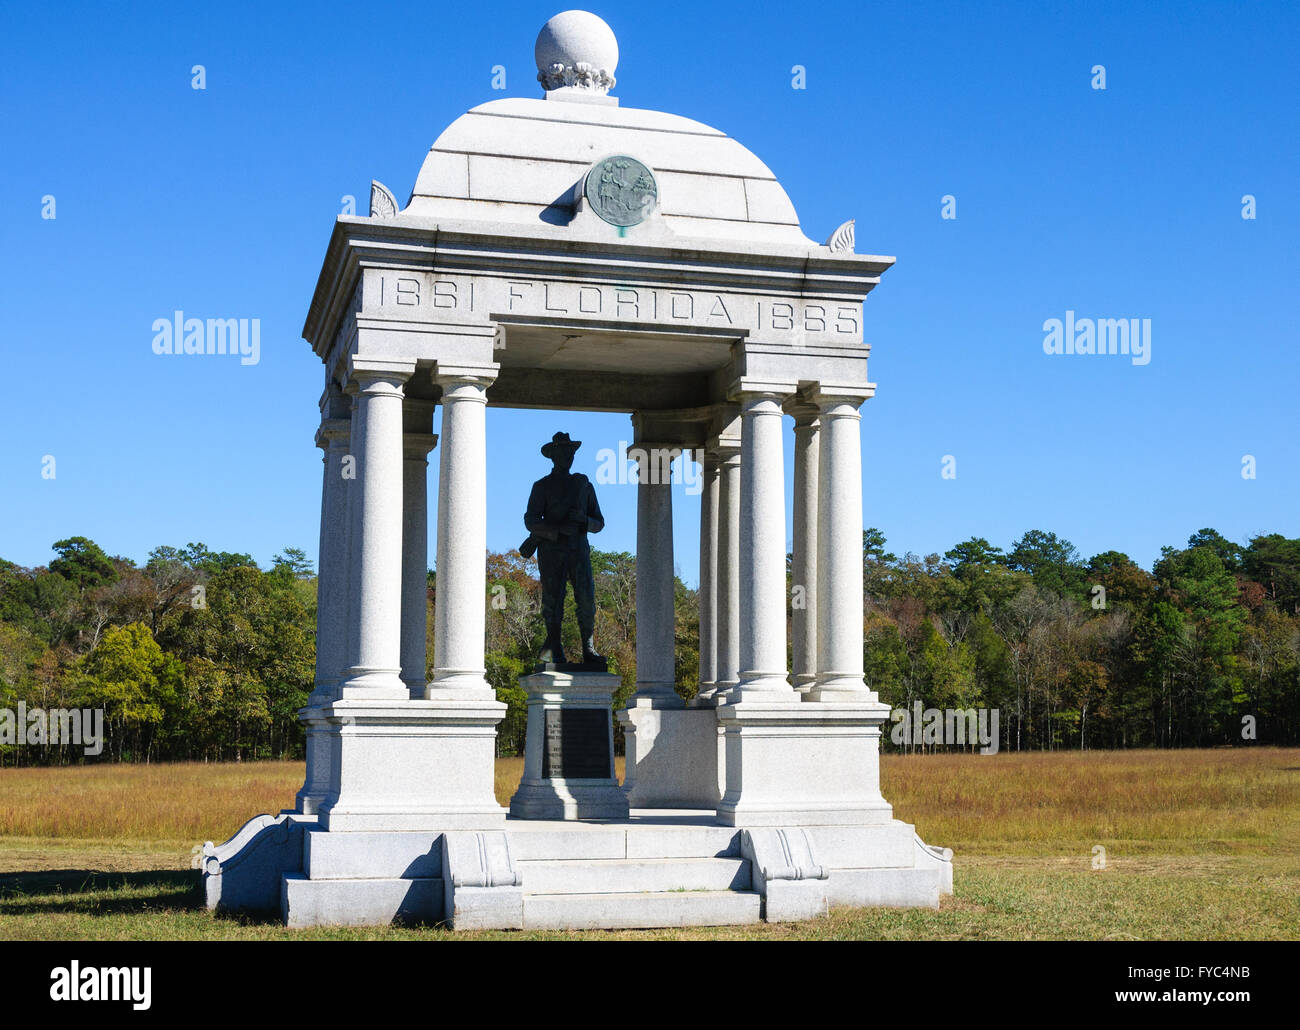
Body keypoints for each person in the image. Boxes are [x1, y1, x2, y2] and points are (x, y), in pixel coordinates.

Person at [522, 432, 606, 667]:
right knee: (552, 601)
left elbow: (599, 522)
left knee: (586, 598)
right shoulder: (541, 486)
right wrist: (556, 531)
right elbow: (530, 520)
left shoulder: (583, 484)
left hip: (578, 548)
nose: (567, 457)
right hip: (551, 551)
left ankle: (589, 648)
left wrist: (583, 520)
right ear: (553, 456)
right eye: (562, 453)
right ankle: (553, 647)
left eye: (570, 453)